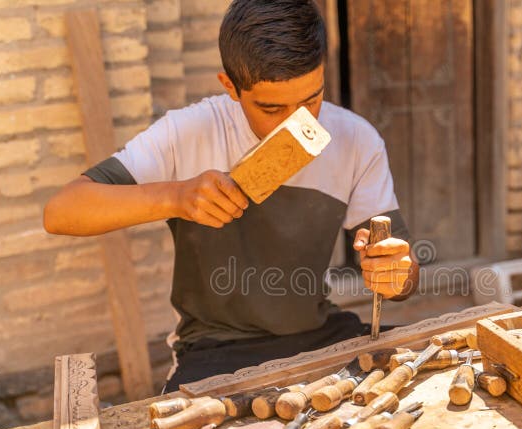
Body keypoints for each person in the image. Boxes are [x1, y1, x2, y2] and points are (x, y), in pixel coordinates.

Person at [43, 0, 419, 392]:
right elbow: (61, 211)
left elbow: (406, 276)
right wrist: (176, 196)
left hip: (317, 331)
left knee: (412, 373)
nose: (298, 123)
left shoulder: (356, 139)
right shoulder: (188, 132)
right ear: (230, 87)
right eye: (272, 108)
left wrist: (395, 272)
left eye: (311, 100)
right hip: (216, 346)